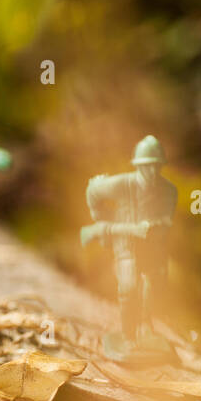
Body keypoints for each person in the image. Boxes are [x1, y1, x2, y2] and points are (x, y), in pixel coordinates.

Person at [81, 135, 177, 355]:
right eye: (146, 166)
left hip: (154, 248)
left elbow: (167, 220)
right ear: (138, 166)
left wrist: (156, 227)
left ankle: (146, 329)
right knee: (128, 287)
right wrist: (101, 217)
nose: (151, 172)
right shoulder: (123, 184)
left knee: (153, 289)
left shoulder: (169, 190)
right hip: (127, 247)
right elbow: (93, 191)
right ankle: (128, 336)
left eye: (155, 166)